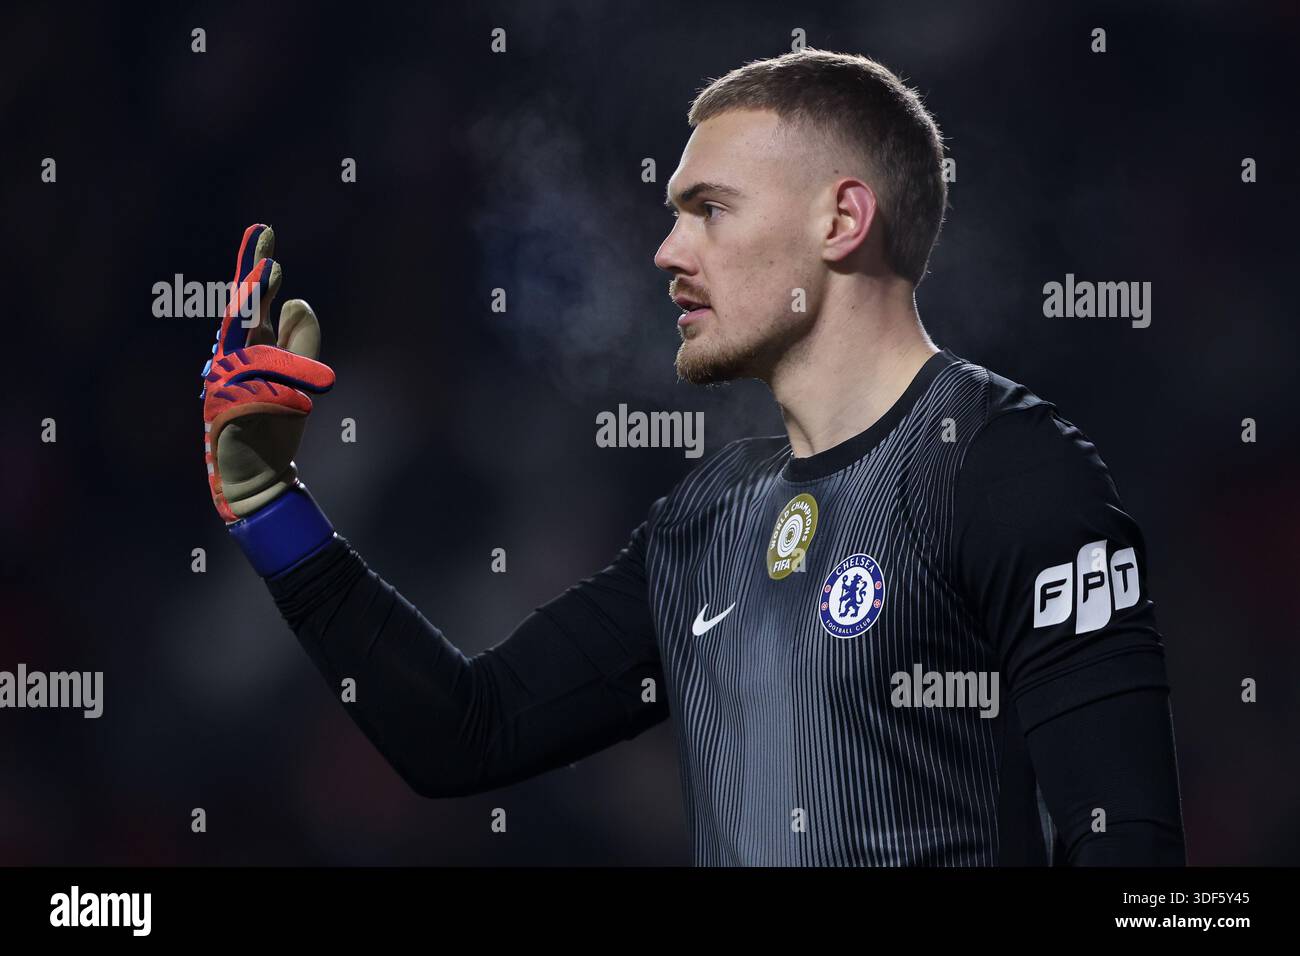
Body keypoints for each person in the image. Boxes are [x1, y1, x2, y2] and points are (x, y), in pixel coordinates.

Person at [200, 49, 1186, 866]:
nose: (668, 252)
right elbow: (468, 731)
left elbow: (1128, 851)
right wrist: (271, 504)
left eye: (709, 209)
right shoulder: (707, 521)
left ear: (841, 221)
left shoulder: (1006, 469)